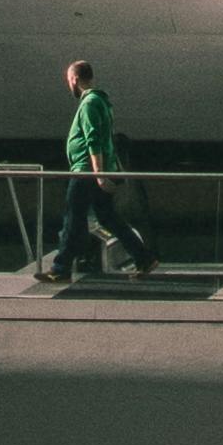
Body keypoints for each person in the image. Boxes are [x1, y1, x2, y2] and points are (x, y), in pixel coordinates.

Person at [48, 53, 155, 284]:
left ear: (75, 79)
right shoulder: (102, 101)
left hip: (87, 171)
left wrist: (98, 174)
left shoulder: (89, 103)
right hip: (98, 170)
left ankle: (60, 268)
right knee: (107, 217)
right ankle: (144, 257)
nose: (69, 85)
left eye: (69, 80)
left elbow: (93, 140)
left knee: (73, 218)